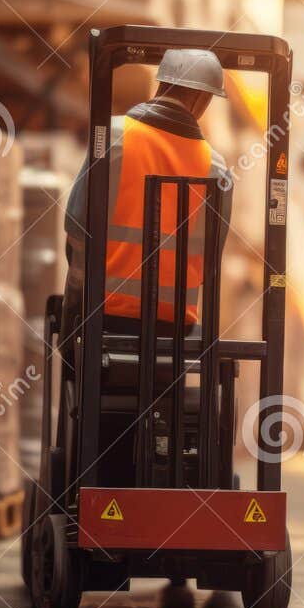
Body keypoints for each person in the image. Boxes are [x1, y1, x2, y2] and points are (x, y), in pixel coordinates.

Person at [60, 47, 233, 492]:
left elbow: (76, 224)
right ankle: (172, 484)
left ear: (161, 84)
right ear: (204, 102)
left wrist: (77, 298)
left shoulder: (114, 135)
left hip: (108, 320)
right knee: (167, 405)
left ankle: (100, 493)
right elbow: (213, 257)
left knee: (93, 405)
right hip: (176, 332)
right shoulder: (215, 167)